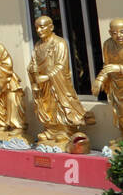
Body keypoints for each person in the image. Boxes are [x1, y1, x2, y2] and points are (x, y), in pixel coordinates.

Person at [28, 15, 88, 150]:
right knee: (46, 107)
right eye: (37, 27)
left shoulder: (59, 43)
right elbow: (33, 63)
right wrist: (31, 69)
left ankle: (64, 132)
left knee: (59, 105)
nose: (39, 30)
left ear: (51, 27)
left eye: (42, 27)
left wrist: (47, 77)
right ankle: (50, 131)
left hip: (57, 83)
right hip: (42, 84)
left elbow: (61, 65)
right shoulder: (38, 45)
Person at [91, 17, 123, 150]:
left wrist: (119, 68)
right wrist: (99, 80)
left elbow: (113, 67)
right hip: (116, 86)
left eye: (122, 31)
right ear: (110, 33)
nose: (119, 35)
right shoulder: (107, 44)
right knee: (120, 114)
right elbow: (107, 65)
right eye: (115, 33)